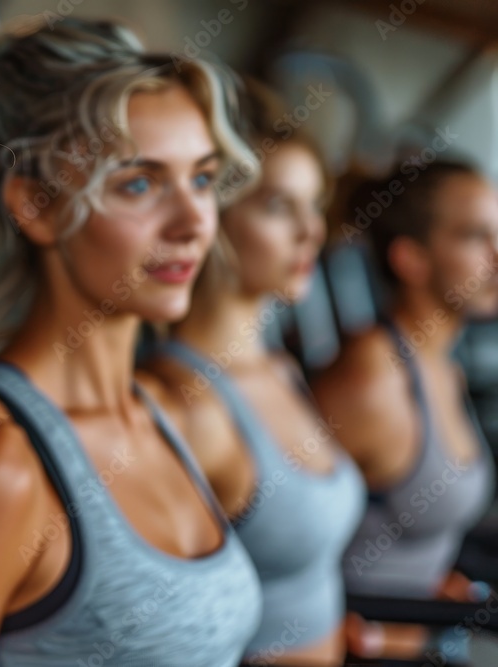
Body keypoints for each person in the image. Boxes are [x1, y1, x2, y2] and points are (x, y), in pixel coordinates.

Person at [0, 17, 263, 667]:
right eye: (139, 183)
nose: (192, 222)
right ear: (38, 204)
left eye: (203, 178)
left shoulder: (167, 410)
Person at [142, 80, 366, 666]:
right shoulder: (182, 400)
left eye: (315, 205)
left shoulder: (280, 367)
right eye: (277, 205)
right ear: (212, 218)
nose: (311, 231)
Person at [312, 159, 498, 660]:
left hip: (424, 635)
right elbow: (278, 539)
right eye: (475, 237)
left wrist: (433, 585)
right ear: (411, 258)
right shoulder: (373, 380)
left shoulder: (442, 367)